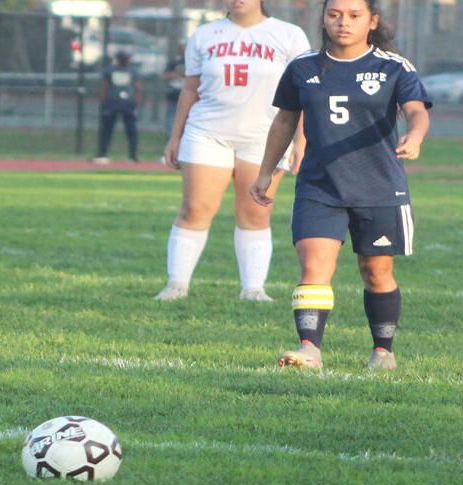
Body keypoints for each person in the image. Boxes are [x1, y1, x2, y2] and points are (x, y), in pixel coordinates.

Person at [251, 0, 430, 370]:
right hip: (320, 186)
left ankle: (383, 351)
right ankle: (309, 349)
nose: (342, 23)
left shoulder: (393, 67)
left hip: (380, 187)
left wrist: (415, 135)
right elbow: (285, 121)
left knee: (376, 272)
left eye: (353, 15)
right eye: (334, 15)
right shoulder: (303, 67)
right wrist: (266, 171)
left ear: (372, 21)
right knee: (314, 265)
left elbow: (416, 110)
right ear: (324, 19)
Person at [156, 0, 311, 303]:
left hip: (266, 137)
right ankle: (176, 285)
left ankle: (253, 289)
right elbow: (190, 89)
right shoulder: (205, 34)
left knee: (255, 212)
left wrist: (301, 140)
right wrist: (175, 137)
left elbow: (303, 93)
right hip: (207, 132)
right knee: (195, 209)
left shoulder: (288, 34)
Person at [93, 50, 143, 164]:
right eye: (125, 59)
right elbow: (103, 86)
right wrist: (103, 102)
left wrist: (136, 102)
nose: (127, 61)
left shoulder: (132, 71)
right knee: (106, 130)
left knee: (131, 131)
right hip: (112, 102)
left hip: (128, 104)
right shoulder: (109, 70)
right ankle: (102, 154)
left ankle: (132, 155)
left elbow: (138, 87)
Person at [162, 42, 186, 139]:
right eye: (182, 48)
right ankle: (170, 142)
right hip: (174, 95)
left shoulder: (193, 62)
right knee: (170, 121)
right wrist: (177, 74)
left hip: (187, 98)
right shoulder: (173, 63)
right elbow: (165, 76)